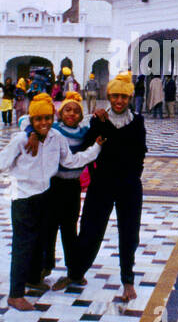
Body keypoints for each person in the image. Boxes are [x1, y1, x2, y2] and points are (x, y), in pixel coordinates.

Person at [0, 93, 103, 311]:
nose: (44, 123)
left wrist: (95, 149)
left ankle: (33, 279)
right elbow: (1, 162)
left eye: (47, 118)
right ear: (31, 120)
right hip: (23, 198)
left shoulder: (56, 137)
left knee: (38, 241)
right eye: (38, 119)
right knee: (23, 245)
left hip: (44, 195)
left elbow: (70, 160)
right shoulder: (21, 139)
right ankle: (15, 294)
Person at [57, 72, 147, 302]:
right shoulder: (99, 120)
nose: (119, 101)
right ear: (109, 97)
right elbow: (85, 146)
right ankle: (75, 274)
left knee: (129, 233)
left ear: (129, 99)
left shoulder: (137, 122)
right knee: (90, 229)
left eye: (124, 97)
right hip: (103, 184)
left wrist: (132, 177)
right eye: (115, 96)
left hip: (129, 186)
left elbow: (140, 153)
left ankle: (128, 281)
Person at [18, 90, 94, 282]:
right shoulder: (55, 130)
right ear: (60, 113)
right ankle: (46, 266)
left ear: (81, 115)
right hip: (53, 186)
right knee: (48, 228)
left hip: (72, 187)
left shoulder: (83, 133)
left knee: (69, 229)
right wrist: (32, 133)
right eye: (67, 109)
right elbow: (25, 119)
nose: (71, 114)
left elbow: (98, 126)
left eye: (76, 111)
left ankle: (73, 270)